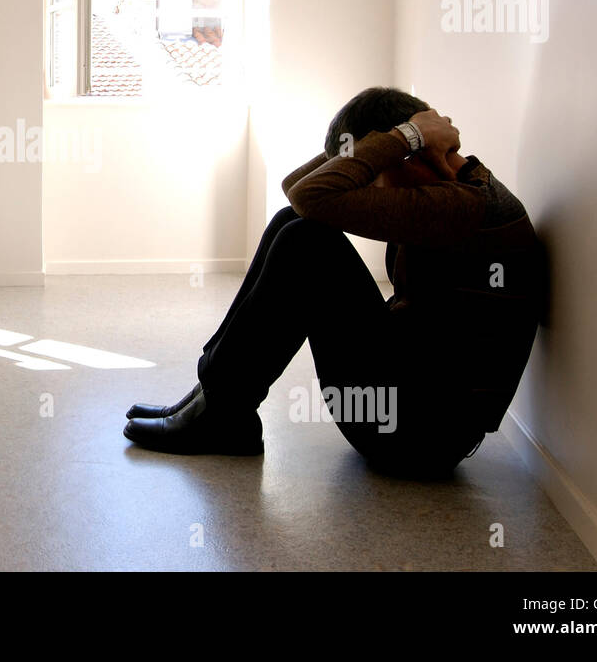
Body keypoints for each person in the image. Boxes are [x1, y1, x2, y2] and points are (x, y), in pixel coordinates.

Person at [122, 87, 545, 477]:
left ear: (406, 156)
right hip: (413, 404)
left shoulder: (459, 205)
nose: (371, 185)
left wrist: (404, 137)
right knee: (293, 222)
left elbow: (313, 196)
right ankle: (215, 400)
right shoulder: (462, 186)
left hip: (418, 439)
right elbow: (298, 193)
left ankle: (222, 412)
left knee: (306, 240)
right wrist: (401, 139)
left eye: (375, 171)